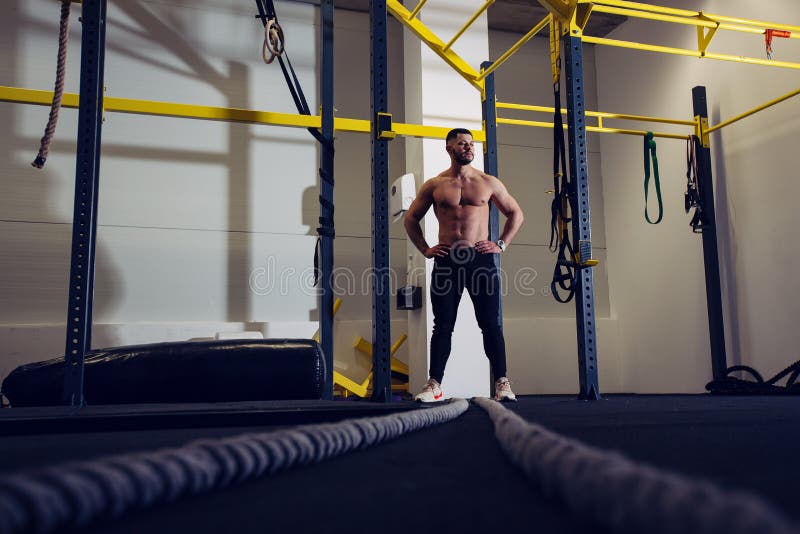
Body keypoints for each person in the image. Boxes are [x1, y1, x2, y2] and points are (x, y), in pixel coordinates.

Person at [403, 128, 524, 402]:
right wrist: (425, 249)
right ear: (449, 149)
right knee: (442, 325)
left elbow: (516, 213)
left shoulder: (488, 182)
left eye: (471, 144)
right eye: (462, 144)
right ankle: (435, 384)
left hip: (480, 260)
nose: (469, 148)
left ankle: (502, 383)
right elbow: (410, 219)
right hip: (447, 261)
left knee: (490, 323)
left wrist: (501, 244)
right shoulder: (435, 185)